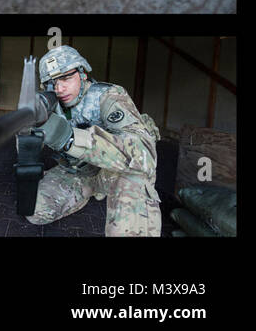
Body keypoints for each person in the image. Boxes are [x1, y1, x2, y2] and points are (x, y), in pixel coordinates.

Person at [25, 45, 162, 236]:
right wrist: (30, 127)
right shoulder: (51, 103)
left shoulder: (108, 96)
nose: (59, 88)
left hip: (114, 171)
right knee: (34, 211)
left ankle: (104, 190)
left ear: (83, 74)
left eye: (66, 77)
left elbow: (144, 153)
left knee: (133, 179)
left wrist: (69, 138)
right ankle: (88, 190)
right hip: (79, 171)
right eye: (51, 83)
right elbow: (29, 150)